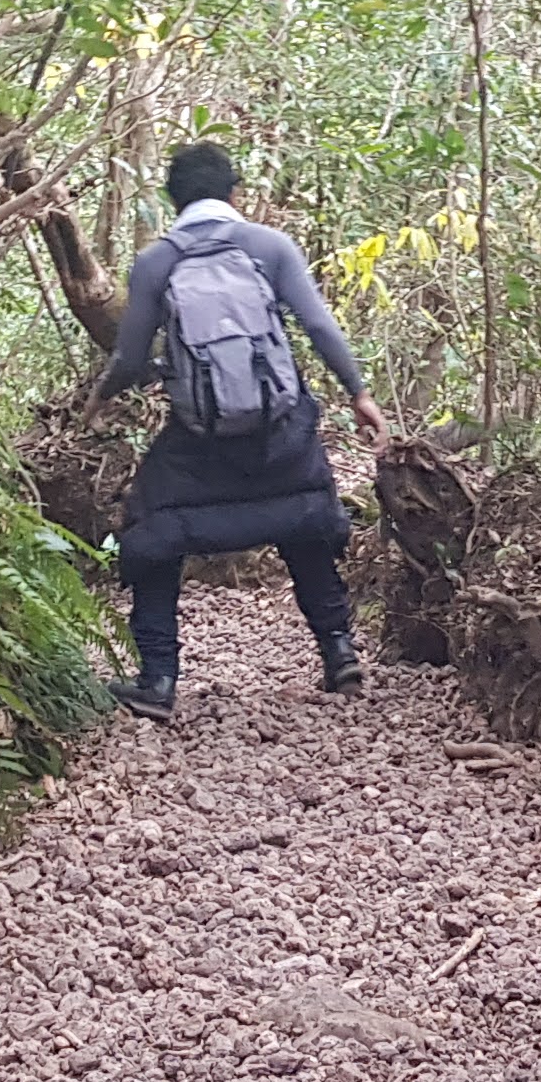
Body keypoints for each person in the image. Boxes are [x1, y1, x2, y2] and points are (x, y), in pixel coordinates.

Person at [92, 142, 389, 722]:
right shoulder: (269, 246)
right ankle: (339, 652)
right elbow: (318, 324)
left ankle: (157, 678)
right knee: (305, 516)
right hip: (280, 434)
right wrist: (359, 393)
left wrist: (102, 398)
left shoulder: (156, 262)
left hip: (197, 444)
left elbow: (130, 356)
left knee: (151, 531)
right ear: (235, 194)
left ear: (171, 201)